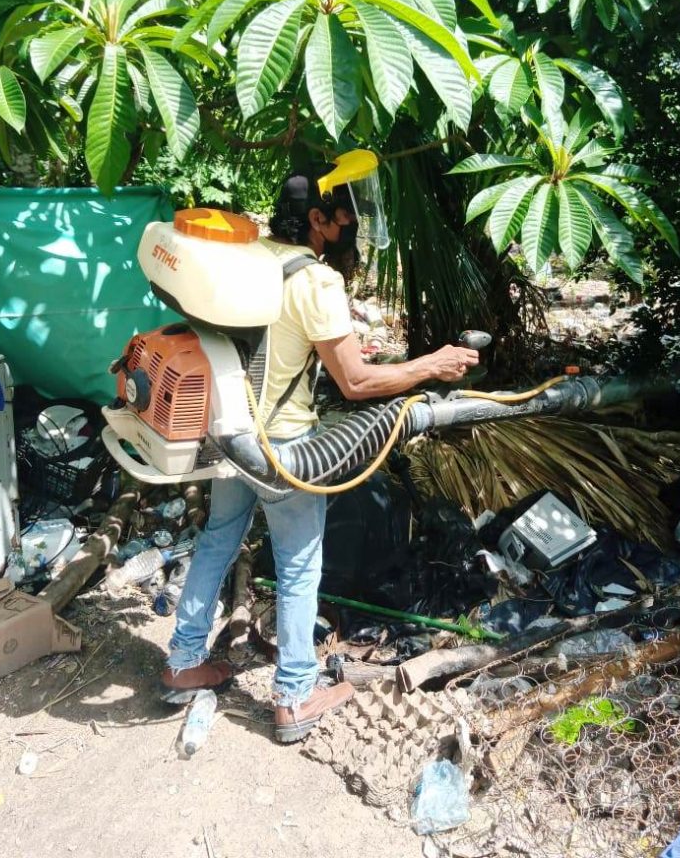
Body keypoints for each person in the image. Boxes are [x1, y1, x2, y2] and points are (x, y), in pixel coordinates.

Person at [161, 165, 480, 743]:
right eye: (345, 218)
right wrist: (432, 365)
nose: (353, 228)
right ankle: (294, 695)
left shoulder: (251, 256)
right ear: (317, 220)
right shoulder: (316, 281)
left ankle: (183, 661)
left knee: (217, 540)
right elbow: (355, 381)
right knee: (300, 565)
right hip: (281, 446)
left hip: (230, 432)